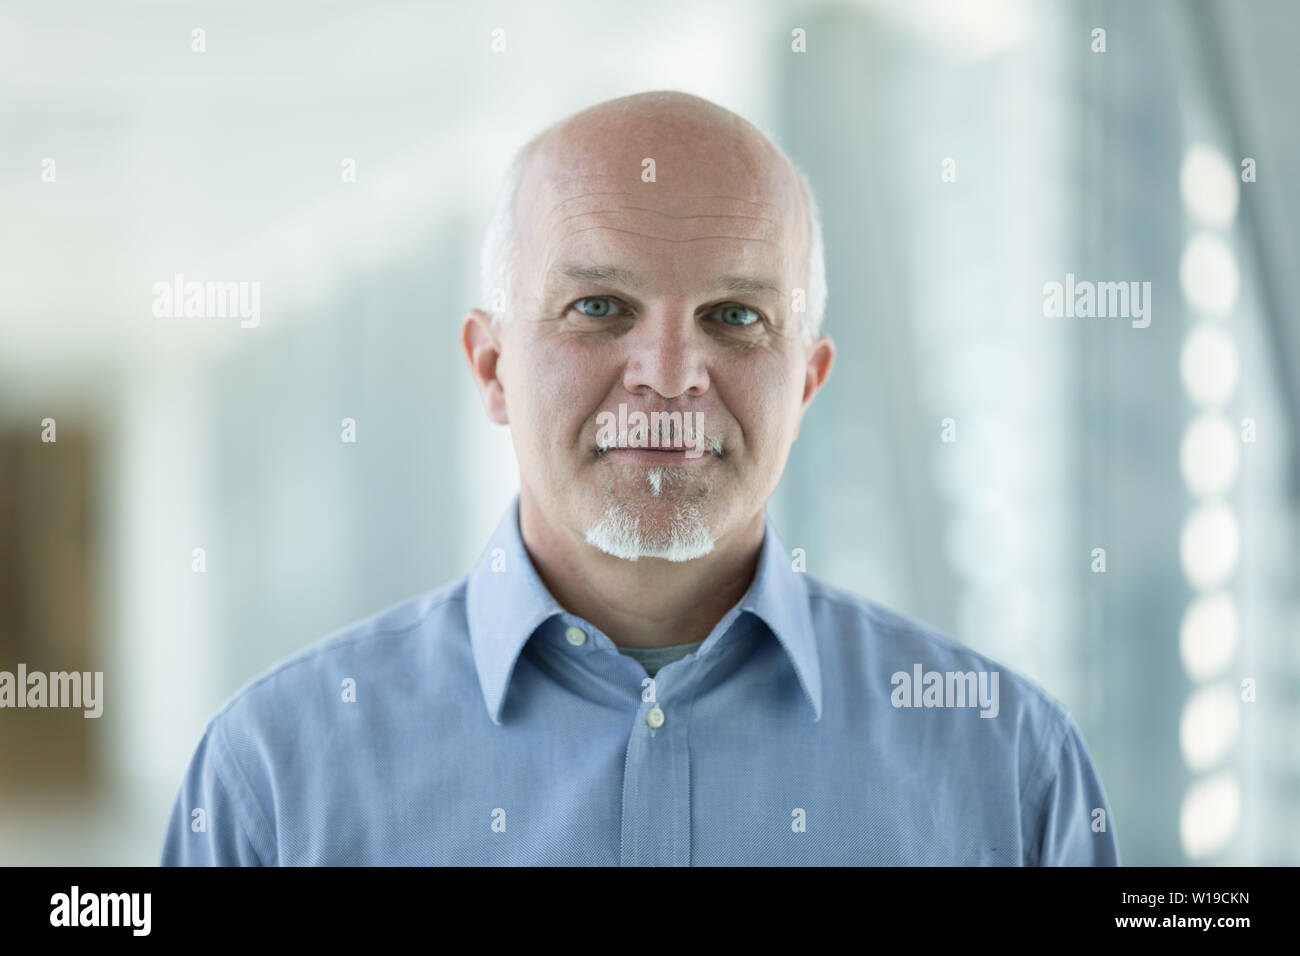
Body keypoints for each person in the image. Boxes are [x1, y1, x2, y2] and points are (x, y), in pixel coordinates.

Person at [161, 90, 1119, 865]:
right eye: (600, 305)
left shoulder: (1008, 767)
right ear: (492, 369)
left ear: (808, 384)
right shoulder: (276, 776)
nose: (668, 371)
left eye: (736, 317)